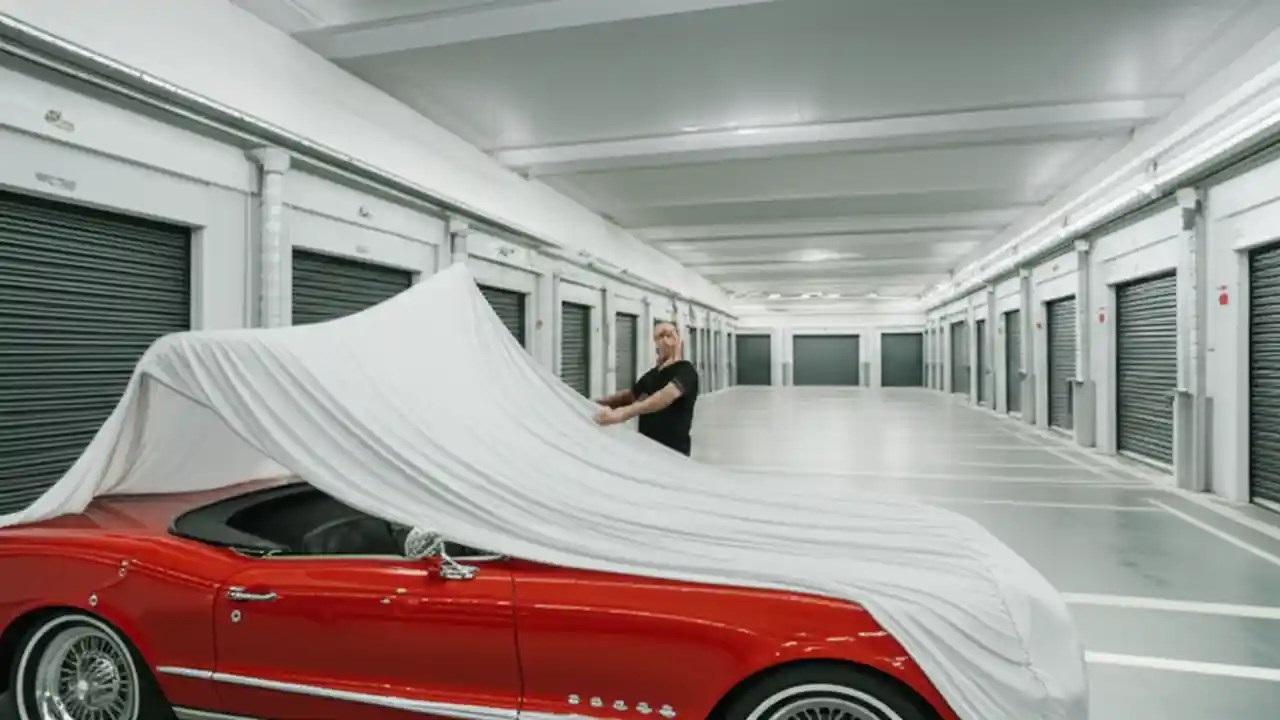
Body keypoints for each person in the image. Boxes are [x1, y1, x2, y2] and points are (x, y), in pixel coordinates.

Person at [594, 321, 699, 456]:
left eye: (663, 336)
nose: (657, 345)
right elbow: (629, 396)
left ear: (673, 339)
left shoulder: (686, 371)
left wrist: (621, 414)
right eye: (656, 338)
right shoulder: (653, 374)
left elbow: (663, 397)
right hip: (647, 453)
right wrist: (594, 402)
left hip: (673, 455)